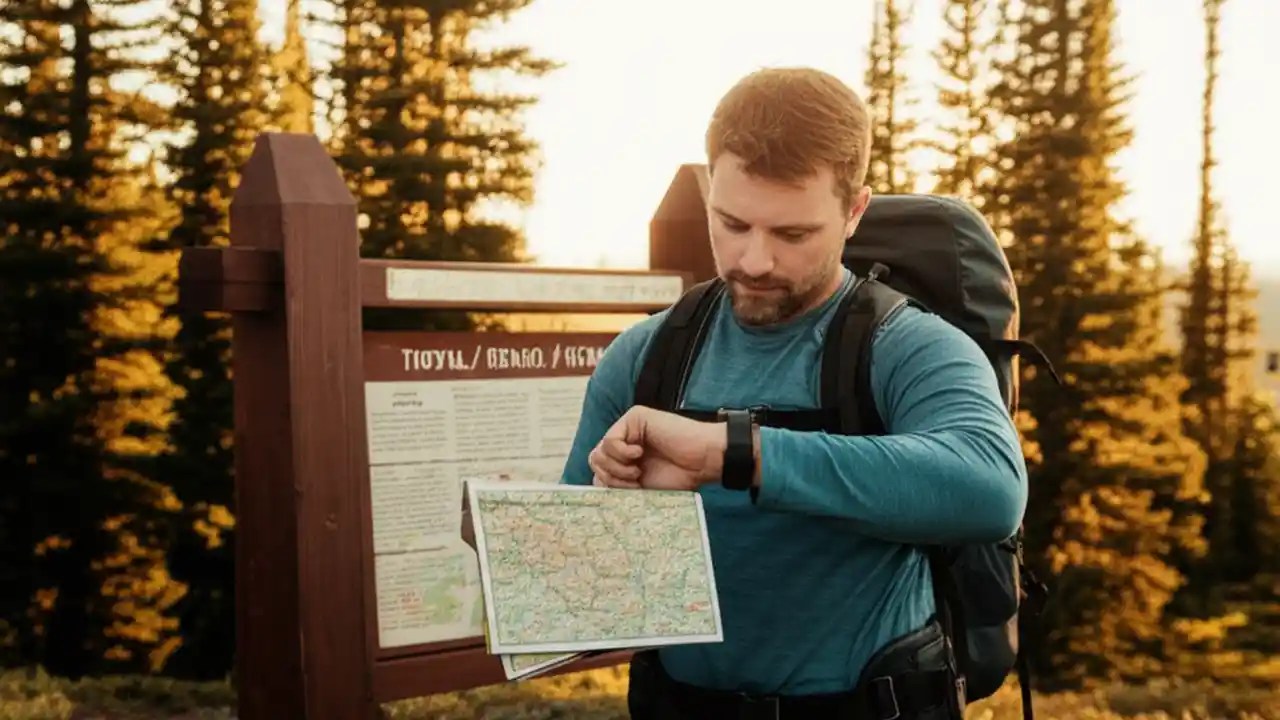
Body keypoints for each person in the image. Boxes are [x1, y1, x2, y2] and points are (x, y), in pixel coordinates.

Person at [559, 66, 1028, 720]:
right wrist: (512, 540)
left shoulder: (910, 347)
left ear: (854, 212)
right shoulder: (647, 354)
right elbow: (581, 559)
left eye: (792, 234)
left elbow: (990, 490)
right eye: (731, 223)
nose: (753, 260)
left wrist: (736, 454)